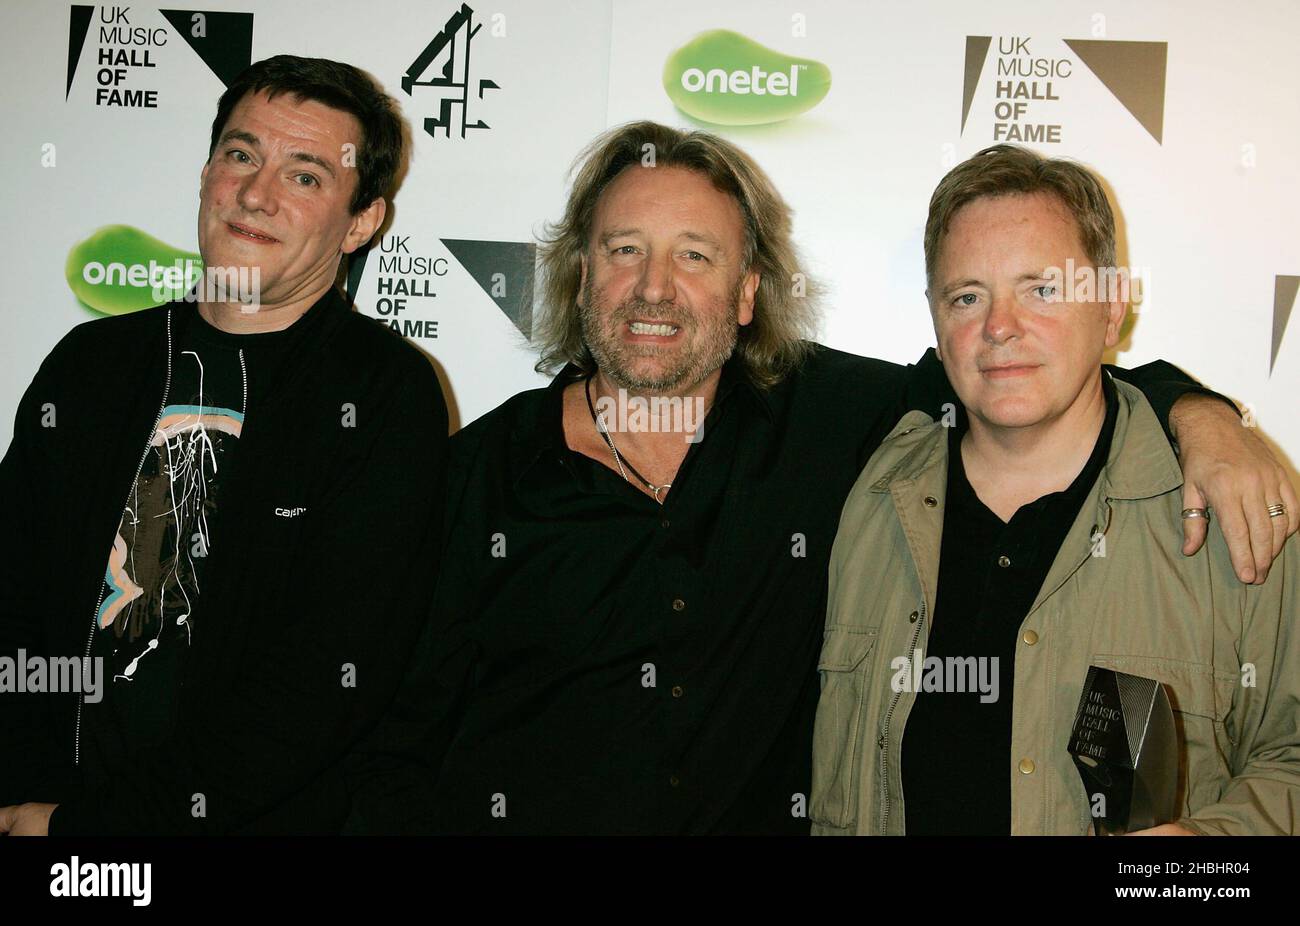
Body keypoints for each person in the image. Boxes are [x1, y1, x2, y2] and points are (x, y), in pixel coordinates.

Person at [400, 122, 1294, 834]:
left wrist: (1201, 412)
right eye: (626, 250)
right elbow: (402, 740)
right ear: (581, 272)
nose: (655, 289)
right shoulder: (473, 477)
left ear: (748, 294)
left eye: (696, 256)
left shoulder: (833, 424)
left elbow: (1026, 377)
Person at [0, 55, 448, 835]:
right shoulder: (92, 365)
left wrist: (95, 829)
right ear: (208, 170)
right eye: (241, 155)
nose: (255, 194)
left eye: (306, 176)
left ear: (363, 220)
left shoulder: (383, 395)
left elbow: (324, 682)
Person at [811, 144, 1299, 835]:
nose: (1000, 327)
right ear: (935, 318)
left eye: (1043, 290)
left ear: (1111, 309)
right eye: (967, 296)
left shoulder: (1230, 509)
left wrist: (1207, 851)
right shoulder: (859, 488)